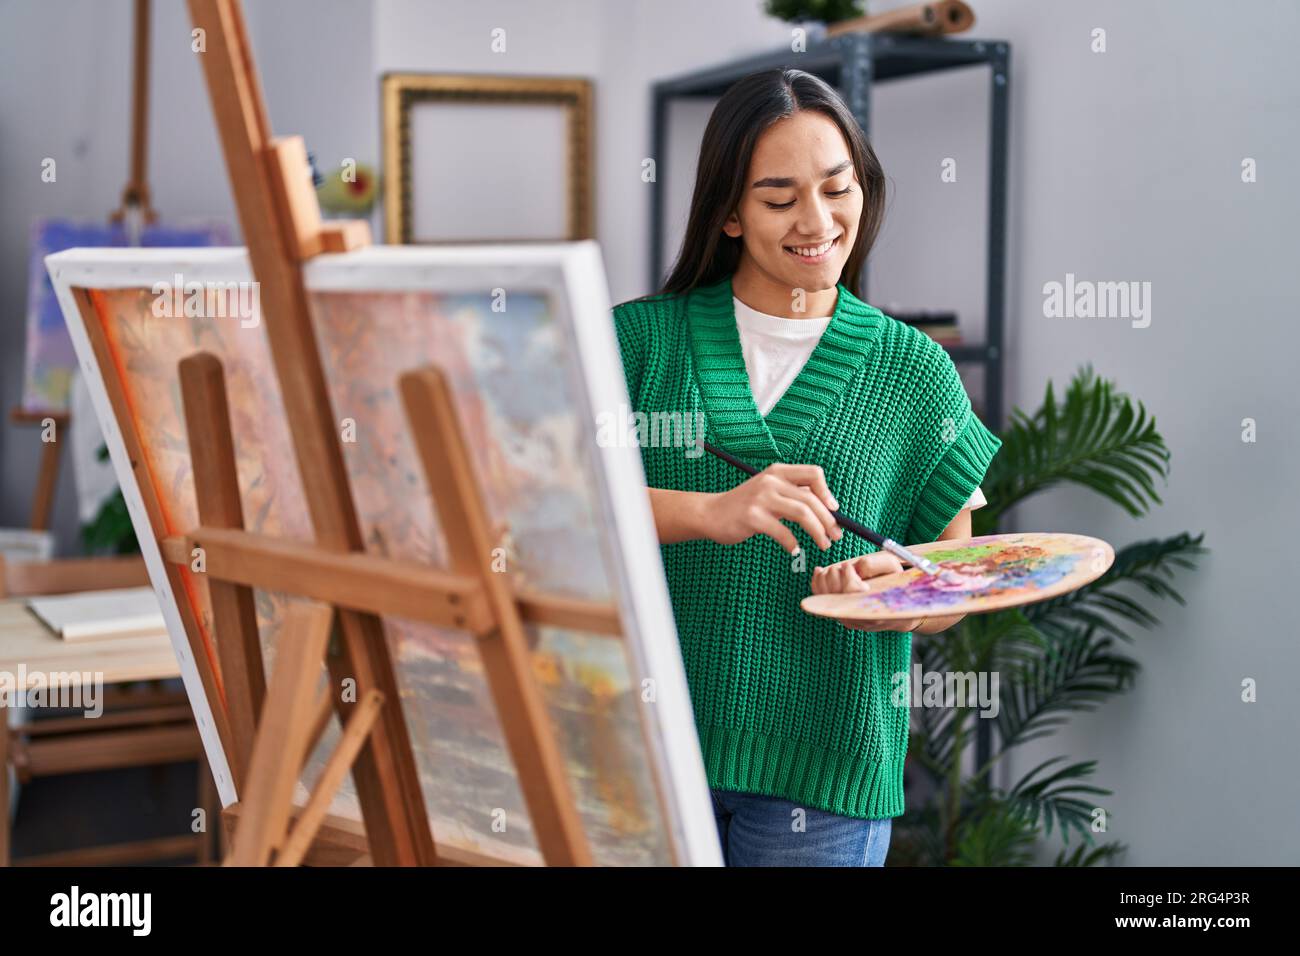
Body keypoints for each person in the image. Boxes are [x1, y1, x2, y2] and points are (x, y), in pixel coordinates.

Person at [612, 68, 1001, 866]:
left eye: (837, 188)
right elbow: (542, 514)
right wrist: (708, 511)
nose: (817, 221)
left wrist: (885, 592)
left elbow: (951, 587)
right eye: (780, 198)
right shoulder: (636, 344)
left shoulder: (916, 373)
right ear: (727, 213)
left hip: (823, 777)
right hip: (640, 756)